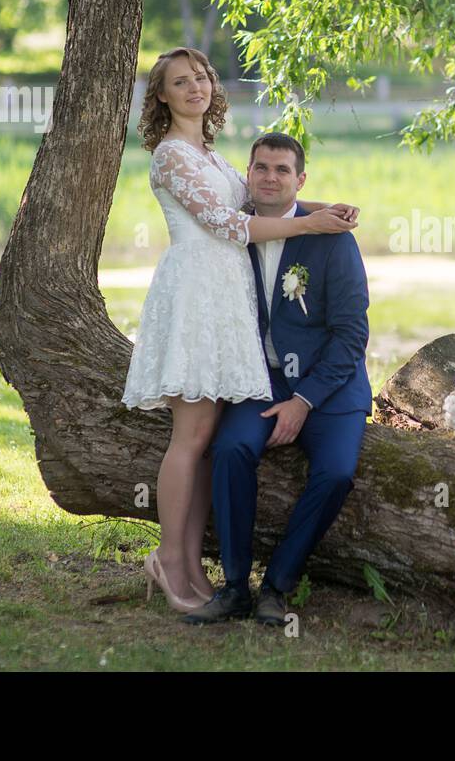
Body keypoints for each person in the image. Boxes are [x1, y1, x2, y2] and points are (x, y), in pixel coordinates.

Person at [121, 46, 359, 612]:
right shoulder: (173, 155)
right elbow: (226, 222)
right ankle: (169, 559)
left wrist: (320, 209)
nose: (195, 88)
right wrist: (312, 227)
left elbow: (255, 199)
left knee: (205, 444)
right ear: (161, 95)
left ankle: (193, 561)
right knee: (191, 438)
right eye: (180, 82)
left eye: (201, 77)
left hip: (225, 301)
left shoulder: (208, 153)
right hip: (199, 295)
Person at [182, 132, 372, 627]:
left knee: (335, 474)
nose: (270, 177)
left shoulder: (332, 241)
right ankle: (233, 585)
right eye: (261, 168)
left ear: (299, 179)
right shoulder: (234, 233)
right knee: (229, 450)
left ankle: (277, 585)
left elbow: (352, 336)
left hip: (329, 388)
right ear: (249, 175)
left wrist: (305, 400)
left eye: (282, 170)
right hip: (261, 381)